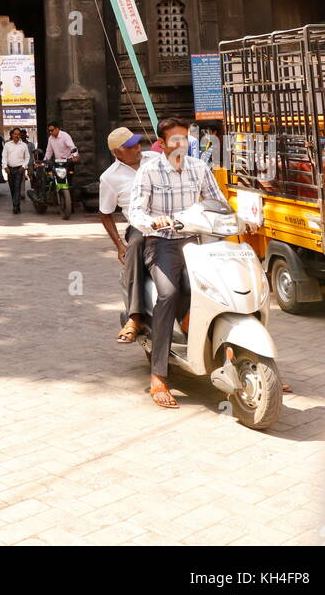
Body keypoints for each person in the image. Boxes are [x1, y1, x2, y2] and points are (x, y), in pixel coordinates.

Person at [128, 116, 230, 410]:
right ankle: (159, 375)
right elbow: (135, 211)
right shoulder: (148, 172)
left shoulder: (199, 168)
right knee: (169, 294)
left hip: (197, 242)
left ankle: (251, 359)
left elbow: (217, 202)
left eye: (184, 139)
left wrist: (239, 218)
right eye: (174, 140)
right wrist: (152, 221)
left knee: (225, 290)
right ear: (161, 144)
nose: (180, 145)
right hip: (161, 242)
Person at [98, 127, 150, 343]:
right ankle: (135, 317)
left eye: (138, 143)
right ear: (118, 152)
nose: (138, 147)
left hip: (172, 219)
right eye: (131, 146)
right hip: (140, 224)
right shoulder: (110, 177)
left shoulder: (155, 159)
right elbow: (105, 213)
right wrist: (120, 244)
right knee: (135, 248)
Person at [2, 126, 30, 213]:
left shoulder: (24, 145)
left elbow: (27, 157)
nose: (16, 136)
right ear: (12, 135)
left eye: (18, 134)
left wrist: (23, 166)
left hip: (19, 170)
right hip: (9, 170)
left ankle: (15, 206)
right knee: (12, 188)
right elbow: (4, 157)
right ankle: (17, 205)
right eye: (15, 134)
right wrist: (5, 167)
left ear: (20, 135)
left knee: (17, 187)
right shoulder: (7, 145)